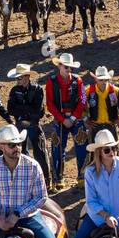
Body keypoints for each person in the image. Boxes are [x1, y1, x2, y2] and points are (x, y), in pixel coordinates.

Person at [6, 63, 55, 190]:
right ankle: (26, 181)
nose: (17, 80)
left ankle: (46, 180)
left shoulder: (37, 89)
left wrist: (21, 109)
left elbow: (37, 111)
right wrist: (27, 110)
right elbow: (10, 109)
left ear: (27, 77)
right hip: (24, 124)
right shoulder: (15, 90)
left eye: (19, 78)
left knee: (40, 152)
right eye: (17, 78)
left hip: (32, 124)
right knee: (20, 154)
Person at [45, 52, 89, 187]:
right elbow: (50, 104)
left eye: (70, 67)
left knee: (81, 148)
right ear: (59, 66)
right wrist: (62, 119)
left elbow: (82, 100)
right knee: (57, 148)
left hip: (76, 117)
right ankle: (58, 179)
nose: (68, 69)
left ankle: (82, 177)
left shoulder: (78, 80)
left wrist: (74, 117)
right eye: (66, 67)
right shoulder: (51, 81)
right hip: (60, 119)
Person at [84, 65, 119, 140]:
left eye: (106, 79)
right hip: (95, 125)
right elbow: (80, 104)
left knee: (113, 148)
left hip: (111, 124)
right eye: (101, 79)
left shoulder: (115, 90)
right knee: (96, 149)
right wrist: (86, 119)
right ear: (95, 79)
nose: (104, 82)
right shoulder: (88, 91)